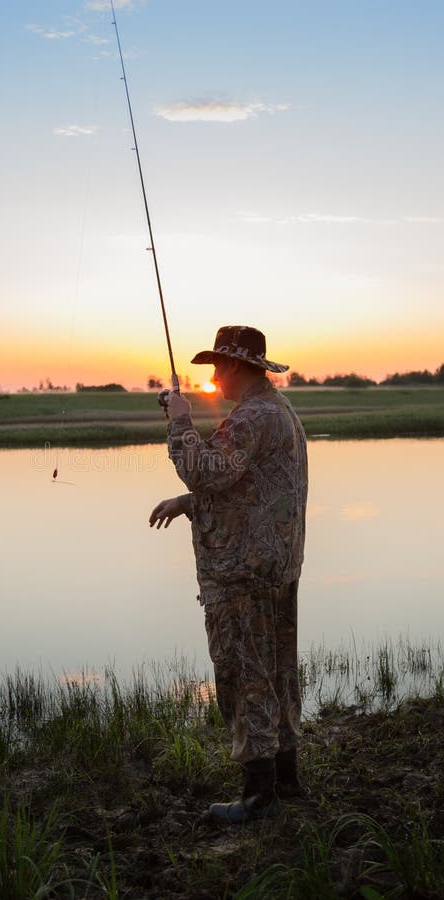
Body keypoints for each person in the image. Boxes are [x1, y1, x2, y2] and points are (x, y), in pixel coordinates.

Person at [149, 325, 308, 824]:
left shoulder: (254, 416)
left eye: (217, 365)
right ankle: (286, 780)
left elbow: (206, 470)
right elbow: (249, 487)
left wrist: (179, 423)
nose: (214, 375)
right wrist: (189, 504)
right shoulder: (276, 411)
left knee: (247, 677)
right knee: (277, 672)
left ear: (237, 366)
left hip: (244, 574)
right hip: (274, 568)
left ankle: (258, 796)